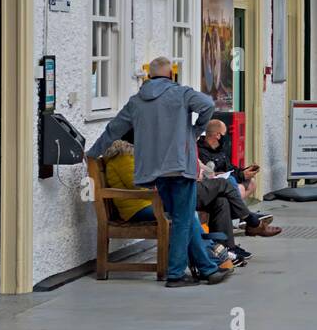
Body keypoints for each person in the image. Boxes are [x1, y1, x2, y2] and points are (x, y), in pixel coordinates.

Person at [86, 57, 233, 288]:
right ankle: (176, 274)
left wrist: (92, 153)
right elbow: (207, 104)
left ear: (148, 76)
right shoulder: (182, 94)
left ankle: (207, 268)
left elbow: (113, 129)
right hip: (179, 167)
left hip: (155, 171)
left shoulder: (137, 101)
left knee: (182, 217)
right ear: (171, 75)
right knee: (184, 219)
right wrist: (196, 130)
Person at [103, 140, 278, 267]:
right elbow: (141, 185)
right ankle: (252, 222)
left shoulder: (132, 155)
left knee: (220, 201)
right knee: (223, 185)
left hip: (162, 199)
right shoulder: (123, 156)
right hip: (145, 207)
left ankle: (226, 249)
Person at [198, 118, 259, 196]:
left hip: (227, 181)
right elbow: (211, 176)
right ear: (218, 135)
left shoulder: (219, 149)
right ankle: (236, 207)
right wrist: (241, 175)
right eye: (225, 133)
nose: (226, 136)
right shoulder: (201, 151)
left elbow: (230, 168)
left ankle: (234, 206)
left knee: (251, 182)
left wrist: (245, 171)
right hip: (212, 187)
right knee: (240, 188)